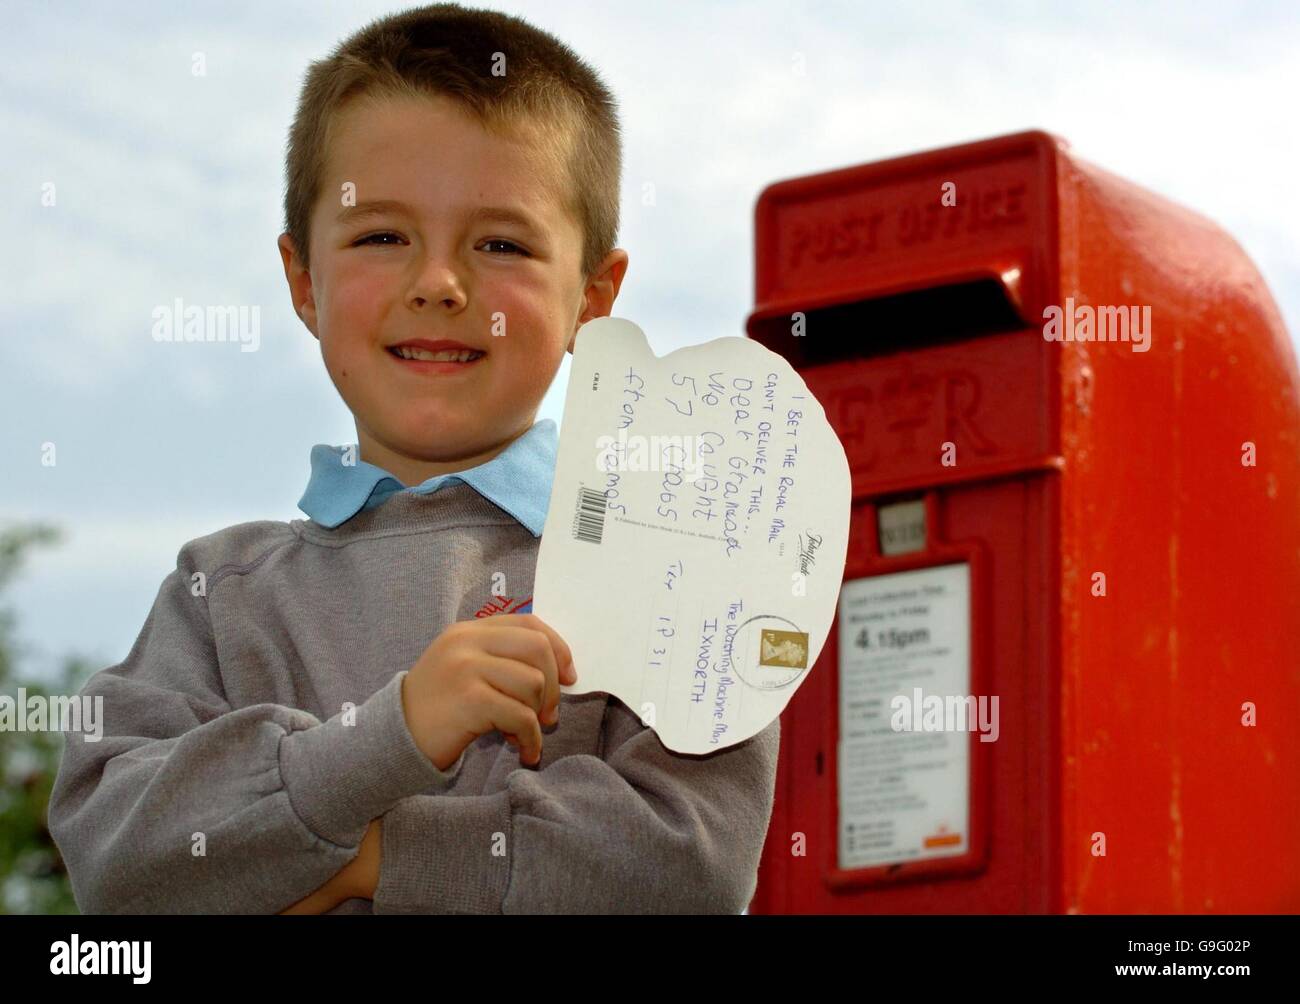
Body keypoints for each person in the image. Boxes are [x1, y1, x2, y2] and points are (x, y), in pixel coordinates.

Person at [47, 2, 779, 915]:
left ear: (594, 295)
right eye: (381, 236)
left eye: (502, 243)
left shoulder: (669, 565)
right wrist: (392, 733)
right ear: (302, 282)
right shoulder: (220, 593)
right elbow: (123, 856)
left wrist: (369, 860)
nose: (438, 283)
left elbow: (684, 864)